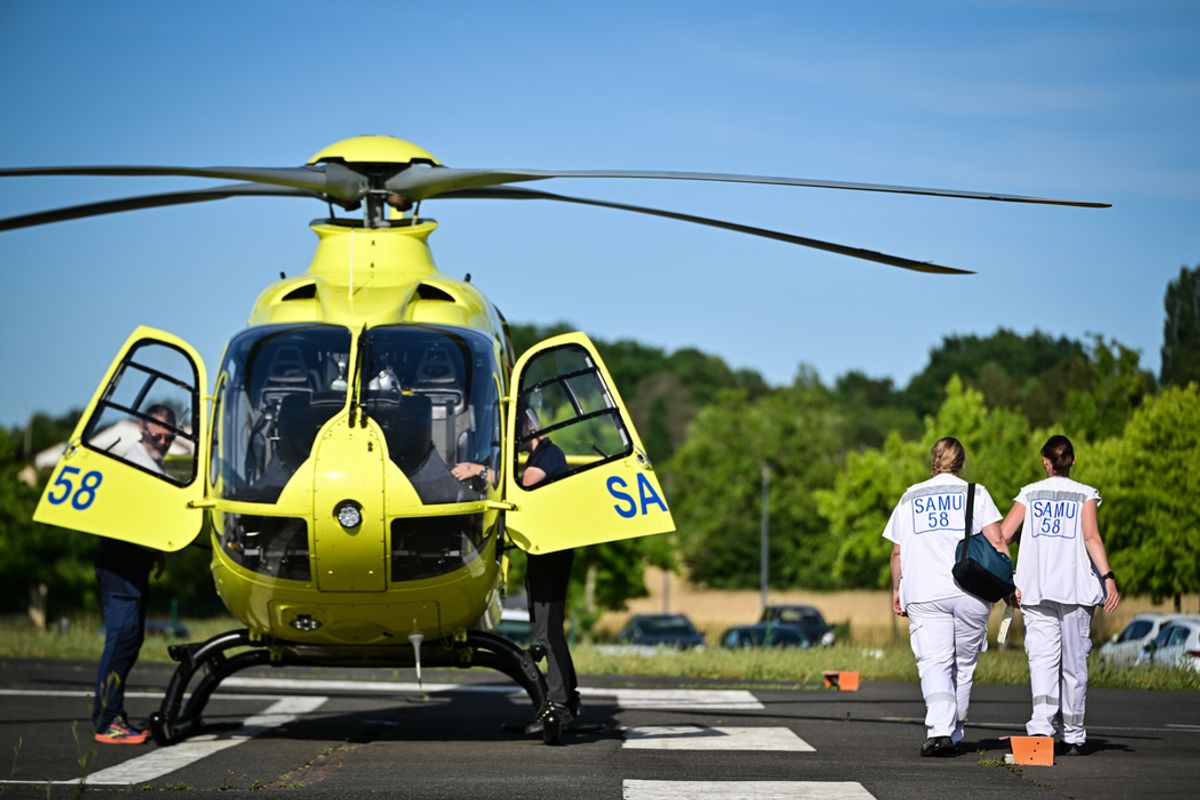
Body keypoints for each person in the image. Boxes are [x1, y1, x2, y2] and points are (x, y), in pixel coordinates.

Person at [882, 437, 1007, 757]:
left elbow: (897, 552)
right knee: (963, 665)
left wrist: (898, 588)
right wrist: (1009, 583)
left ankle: (939, 730)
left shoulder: (910, 497)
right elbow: (998, 542)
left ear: (932, 461)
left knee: (934, 663)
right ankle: (955, 731)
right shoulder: (975, 494)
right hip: (969, 590)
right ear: (961, 462)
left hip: (924, 591)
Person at [1001, 434, 1119, 756]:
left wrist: (1003, 576)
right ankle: (1074, 734)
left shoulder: (1029, 493)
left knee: (1041, 660)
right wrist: (1107, 577)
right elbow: (1092, 538)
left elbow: (1004, 535)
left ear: (1045, 462)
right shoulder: (1085, 495)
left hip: (1036, 589)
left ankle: (1041, 728)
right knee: (1075, 663)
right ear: (1073, 461)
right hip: (1076, 589)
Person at [92, 405, 172, 744]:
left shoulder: (149, 462)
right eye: (158, 434)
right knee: (122, 639)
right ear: (143, 428)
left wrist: (155, 552)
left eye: (169, 436)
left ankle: (110, 715)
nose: (163, 441)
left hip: (131, 564)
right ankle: (107, 720)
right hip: (120, 565)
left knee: (131, 639)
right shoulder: (135, 460)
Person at [514, 408, 580, 739]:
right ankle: (566, 699)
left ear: (528, 426)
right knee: (546, 630)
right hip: (544, 552)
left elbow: (527, 482)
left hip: (551, 553)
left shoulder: (548, 453)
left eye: (516, 426)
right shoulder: (541, 454)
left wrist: (486, 470)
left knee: (548, 631)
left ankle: (561, 705)